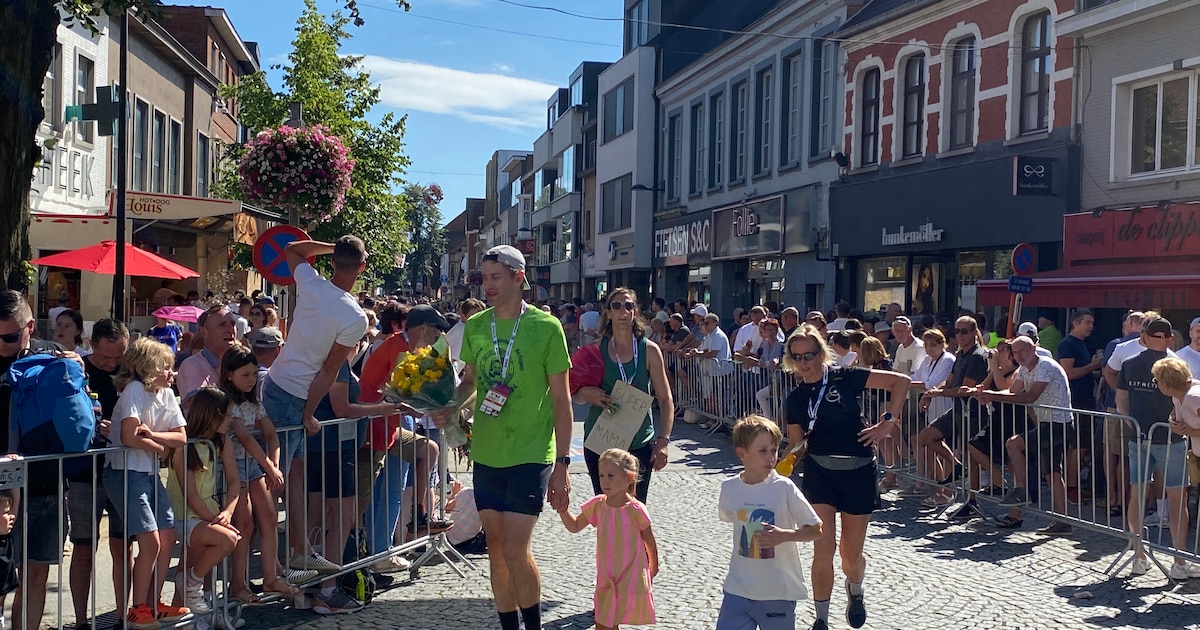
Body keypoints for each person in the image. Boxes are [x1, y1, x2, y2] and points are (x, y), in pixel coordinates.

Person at [443, 244, 573, 630]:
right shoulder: (477, 326)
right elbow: (470, 381)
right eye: (484, 278)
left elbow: (562, 402)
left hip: (531, 453)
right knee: (496, 550)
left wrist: (563, 464)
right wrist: (447, 406)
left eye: (496, 277)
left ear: (519, 277)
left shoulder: (546, 328)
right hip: (486, 453)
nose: (488, 285)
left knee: (516, 549)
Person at [781, 324, 909, 630]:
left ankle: (856, 589)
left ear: (821, 353)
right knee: (822, 548)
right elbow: (797, 444)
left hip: (857, 471)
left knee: (850, 555)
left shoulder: (844, 377)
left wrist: (887, 423)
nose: (803, 362)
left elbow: (901, 382)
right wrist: (779, 466)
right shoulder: (796, 398)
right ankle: (821, 619)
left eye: (809, 355)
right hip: (820, 473)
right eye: (796, 357)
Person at [262, 236, 369, 576]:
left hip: (275, 382)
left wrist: (328, 246)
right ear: (362, 268)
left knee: (289, 474)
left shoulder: (311, 283)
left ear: (334, 261)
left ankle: (298, 551)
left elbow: (292, 249)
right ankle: (292, 556)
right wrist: (309, 412)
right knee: (282, 477)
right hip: (296, 393)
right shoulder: (355, 317)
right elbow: (328, 370)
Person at [104, 338, 190, 629]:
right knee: (150, 541)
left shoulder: (165, 394)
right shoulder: (134, 390)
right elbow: (129, 437)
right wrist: (157, 446)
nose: (171, 372)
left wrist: (152, 436)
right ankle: (138, 607)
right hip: (125, 472)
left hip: (150, 473)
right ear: (150, 366)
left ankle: (154, 603)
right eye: (167, 366)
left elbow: (180, 437)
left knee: (168, 538)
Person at [718, 416, 822, 630]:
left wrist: (785, 535)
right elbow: (729, 517)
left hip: (777, 592)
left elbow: (816, 529)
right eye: (762, 450)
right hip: (738, 590)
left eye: (774, 450)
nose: (771, 457)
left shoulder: (784, 488)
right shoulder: (729, 489)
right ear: (741, 453)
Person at [572, 288, 674, 503]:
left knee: (636, 510)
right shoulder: (595, 350)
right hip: (601, 441)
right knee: (606, 510)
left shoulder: (649, 350)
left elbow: (665, 399)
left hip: (639, 441)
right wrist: (585, 392)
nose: (622, 311)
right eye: (616, 306)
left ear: (634, 312)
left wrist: (663, 440)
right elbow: (575, 394)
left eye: (628, 306)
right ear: (608, 312)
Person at [218, 345, 298, 605]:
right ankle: (238, 583)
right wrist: (270, 467)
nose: (252, 380)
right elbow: (244, 437)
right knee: (244, 523)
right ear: (229, 375)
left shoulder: (254, 402)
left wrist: (273, 464)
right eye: (245, 375)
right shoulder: (227, 401)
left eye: (254, 374)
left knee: (269, 516)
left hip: (253, 464)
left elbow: (271, 434)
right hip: (235, 464)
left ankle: (270, 576)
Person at [70, 319, 133, 628]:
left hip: (123, 470)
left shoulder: (132, 372)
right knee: (82, 548)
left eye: (118, 356)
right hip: (84, 474)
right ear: (92, 345)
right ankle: (81, 621)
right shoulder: (77, 370)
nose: (111, 363)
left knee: (123, 547)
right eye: (106, 356)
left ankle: (122, 616)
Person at [978, 336, 1075, 535]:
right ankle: (1062, 521)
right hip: (1047, 422)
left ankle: (1021, 491)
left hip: (1058, 424)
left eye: (1024, 350)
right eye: (1016, 352)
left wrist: (992, 395)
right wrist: (986, 392)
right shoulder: (1024, 369)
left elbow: (1029, 397)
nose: (1020, 355)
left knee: (1014, 444)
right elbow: (1012, 391)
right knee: (1052, 474)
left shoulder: (1046, 366)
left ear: (1034, 348)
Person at [1117, 318, 1191, 577]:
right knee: (1176, 498)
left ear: (1144, 337)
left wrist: (1133, 426)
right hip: (1171, 437)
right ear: (1170, 339)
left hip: (1139, 436)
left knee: (1137, 493)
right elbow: (1184, 400)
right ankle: (1179, 561)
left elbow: (1121, 400)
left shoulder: (1129, 364)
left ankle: (1138, 555)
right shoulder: (1179, 365)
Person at [556, 448, 659, 630]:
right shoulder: (598, 505)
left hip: (629, 577)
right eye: (601, 475)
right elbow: (574, 526)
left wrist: (653, 565)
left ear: (628, 478)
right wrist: (563, 510)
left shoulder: (636, 509)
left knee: (608, 623)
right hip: (606, 578)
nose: (604, 481)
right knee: (603, 625)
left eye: (611, 475)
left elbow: (649, 540)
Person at [166, 387, 241, 615]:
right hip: (185, 515)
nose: (230, 420)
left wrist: (227, 512)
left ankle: (183, 613)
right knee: (228, 539)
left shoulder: (220, 441)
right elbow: (191, 496)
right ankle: (191, 583)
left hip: (206, 514)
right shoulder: (183, 446)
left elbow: (234, 480)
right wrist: (217, 521)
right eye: (226, 416)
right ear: (212, 414)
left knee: (190, 564)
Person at [1146, 358, 1200, 578]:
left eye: (1157, 379)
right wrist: (1175, 423)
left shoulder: (1194, 397)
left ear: (1166, 382)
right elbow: (1177, 419)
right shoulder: (1179, 397)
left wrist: (1190, 431)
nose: (1156, 383)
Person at [177, 306, 237, 398]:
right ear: (204, 331)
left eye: (233, 324)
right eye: (222, 325)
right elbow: (201, 408)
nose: (230, 329)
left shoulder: (239, 362)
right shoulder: (192, 366)